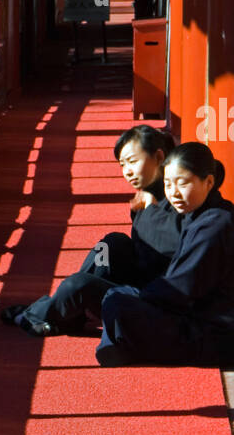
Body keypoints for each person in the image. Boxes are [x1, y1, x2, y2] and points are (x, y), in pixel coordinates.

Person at [1, 124, 179, 337]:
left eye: (132, 162)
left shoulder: (180, 199)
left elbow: (168, 248)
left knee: (79, 284)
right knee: (110, 244)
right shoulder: (145, 198)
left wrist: (151, 209)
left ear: (159, 157)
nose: (127, 172)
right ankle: (65, 310)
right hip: (142, 278)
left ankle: (38, 314)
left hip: (157, 300)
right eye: (122, 165)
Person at [96, 143, 234, 367]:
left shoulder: (215, 224)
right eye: (168, 184)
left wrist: (137, 296)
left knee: (118, 302)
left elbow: (181, 289)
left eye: (183, 183)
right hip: (198, 317)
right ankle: (120, 343)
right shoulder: (200, 214)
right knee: (116, 295)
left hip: (214, 333)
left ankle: (121, 347)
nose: (174, 193)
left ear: (209, 182)